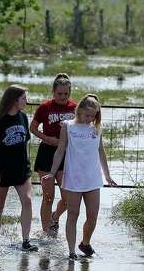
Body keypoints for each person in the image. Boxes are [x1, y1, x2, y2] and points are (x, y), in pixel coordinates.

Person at [44, 94, 117, 259]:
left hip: (92, 179)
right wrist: (52, 173)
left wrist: (107, 175)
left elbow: (101, 151)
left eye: (93, 116)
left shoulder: (96, 128)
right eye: (87, 115)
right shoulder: (68, 126)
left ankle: (85, 243)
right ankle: (71, 252)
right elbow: (60, 150)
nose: (89, 118)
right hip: (73, 179)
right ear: (79, 111)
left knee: (92, 215)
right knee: (73, 214)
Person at [0, 84, 38, 251]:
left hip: (22, 167)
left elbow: (25, 141)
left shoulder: (23, 117)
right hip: (2, 169)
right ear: (14, 100)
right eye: (23, 98)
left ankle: (25, 241)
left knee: (28, 201)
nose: (26, 101)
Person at [30, 73, 77, 234]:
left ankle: (55, 217)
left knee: (67, 199)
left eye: (66, 94)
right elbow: (33, 128)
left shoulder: (75, 108)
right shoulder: (44, 108)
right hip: (47, 154)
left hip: (66, 155)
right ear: (53, 91)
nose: (63, 97)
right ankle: (46, 231)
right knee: (48, 196)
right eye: (59, 94)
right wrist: (46, 138)